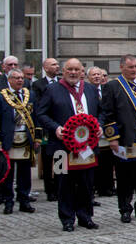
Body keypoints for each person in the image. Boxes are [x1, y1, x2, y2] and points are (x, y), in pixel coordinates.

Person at [34, 57, 99, 232]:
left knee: (87, 183)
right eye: (69, 69)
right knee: (63, 184)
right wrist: (55, 128)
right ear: (63, 71)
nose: (73, 72)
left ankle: (86, 217)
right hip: (60, 147)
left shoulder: (91, 90)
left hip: (88, 147)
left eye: (76, 69)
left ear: (82, 72)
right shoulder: (52, 89)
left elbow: (102, 112)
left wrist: (99, 125)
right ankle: (67, 219)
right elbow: (41, 113)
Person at [100, 54, 136, 223]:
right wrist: (112, 138)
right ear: (122, 68)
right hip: (125, 138)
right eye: (131, 67)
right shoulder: (112, 86)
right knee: (125, 178)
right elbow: (108, 113)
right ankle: (125, 209)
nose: (134, 71)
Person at [0, 68, 39, 214]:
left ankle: (24, 201)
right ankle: (8, 202)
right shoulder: (0, 97)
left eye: (22, 78)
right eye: (16, 78)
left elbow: (36, 118)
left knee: (25, 173)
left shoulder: (30, 95)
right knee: (8, 173)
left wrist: (37, 138)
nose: (20, 80)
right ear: (9, 80)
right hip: (8, 139)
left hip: (25, 139)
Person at [32, 58, 61, 201]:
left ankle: (60, 186)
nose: (57, 67)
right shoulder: (38, 85)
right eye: (53, 65)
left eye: (57, 64)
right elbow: (38, 107)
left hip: (61, 126)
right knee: (48, 159)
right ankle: (50, 190)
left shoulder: (62, 83)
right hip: (46, 127)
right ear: (45, 68)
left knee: (60, 159)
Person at [87, 66, 115, 198]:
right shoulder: (86, 91)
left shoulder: (107, 89)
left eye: (100, 74)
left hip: (107, 130)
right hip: (91, 132)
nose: (98, 77)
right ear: (88, 78)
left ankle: (108, 187)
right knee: (94, 161)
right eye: (94, 75)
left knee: (108, 162)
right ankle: (94, 188)